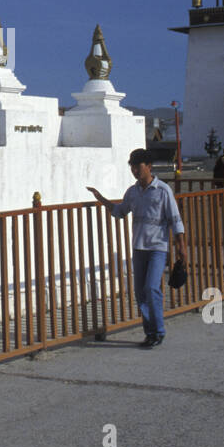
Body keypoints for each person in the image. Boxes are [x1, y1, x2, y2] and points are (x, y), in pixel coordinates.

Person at [87, 148, 187, 349]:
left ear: (148, 166)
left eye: (138, 166)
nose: (134, 170)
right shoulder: (132, 192)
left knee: (151, 288)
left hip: (158, 248)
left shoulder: (163, 191)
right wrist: (101, 198)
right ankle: (150, 333)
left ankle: (158, 331)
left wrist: (181, 249)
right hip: (139, 248)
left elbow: (176, 221)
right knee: (141, 293)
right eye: (132, 166)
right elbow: (119, 211)